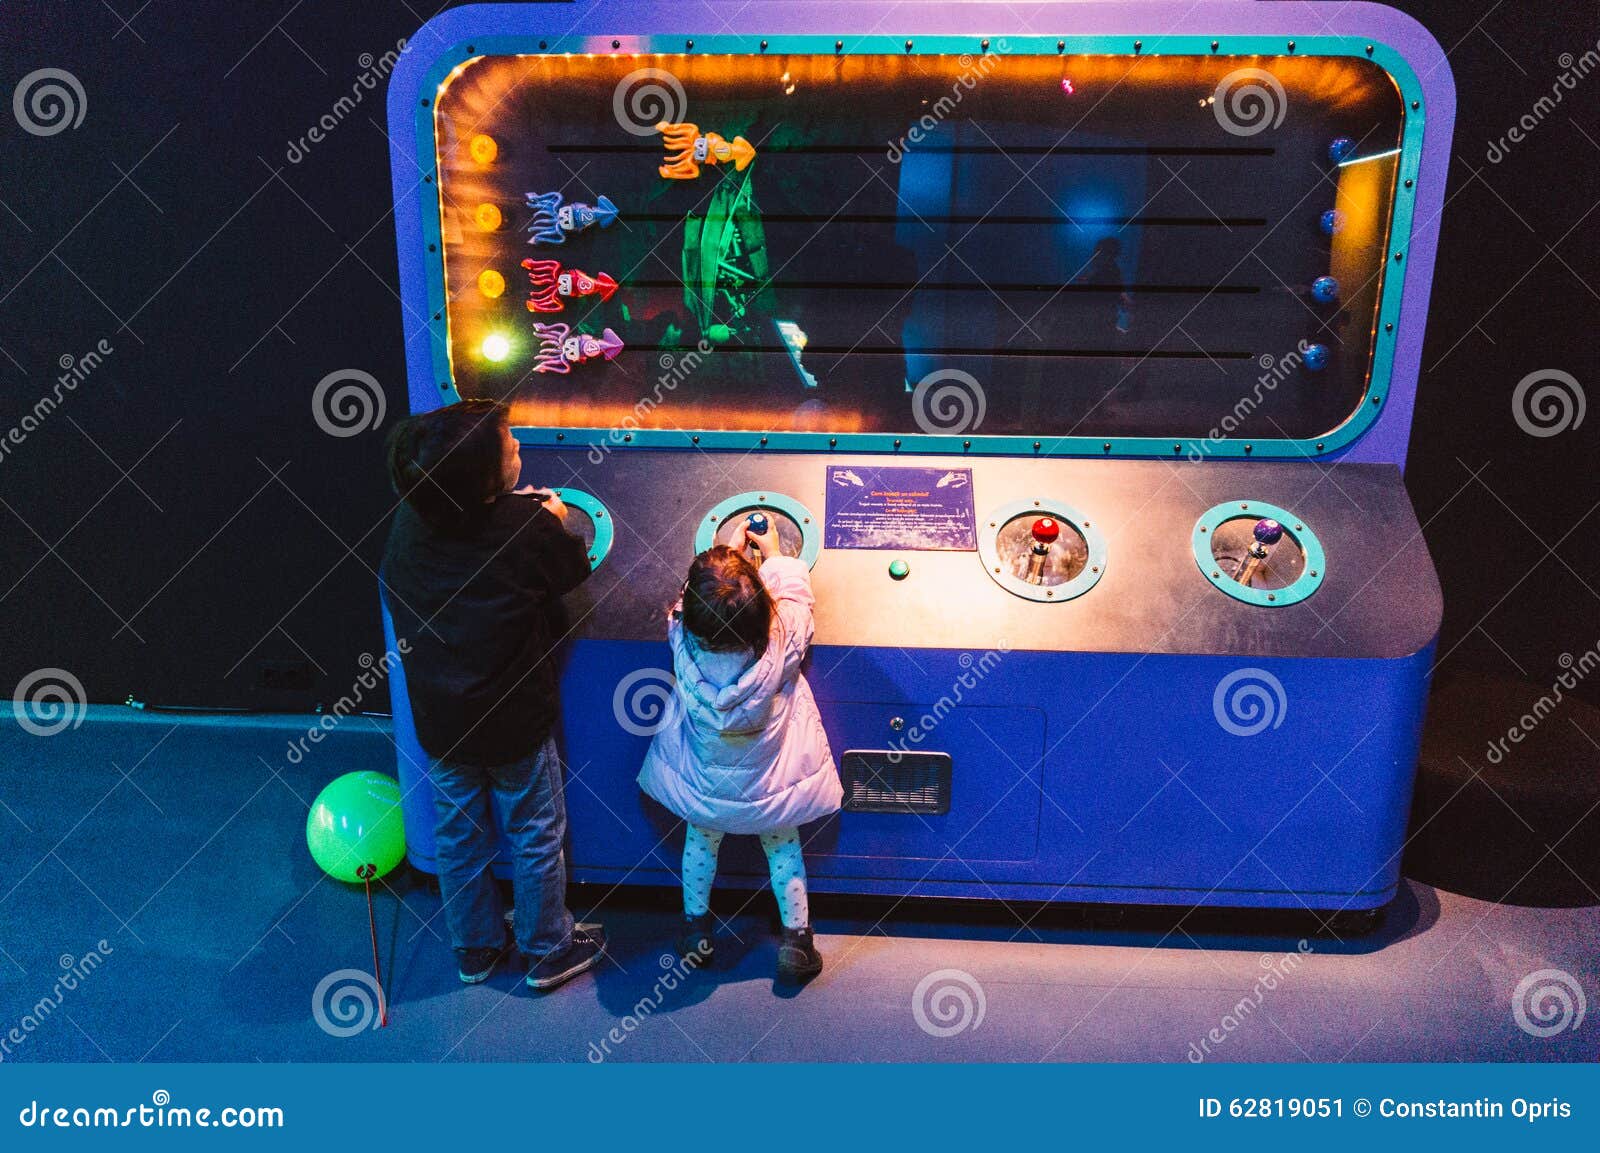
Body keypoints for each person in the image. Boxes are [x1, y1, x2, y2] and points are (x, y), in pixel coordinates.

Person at [380, 398, 604, 991]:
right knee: (534, 830)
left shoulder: (408, 521)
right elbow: (570, 570)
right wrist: (552, 518)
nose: (519, 450)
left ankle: (474, 949)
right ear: (483, 484)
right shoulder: (526, 528)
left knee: (458, 836)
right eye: (509, 449)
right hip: (515, 726)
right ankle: (546, 947)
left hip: (443, 724)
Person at [638, 523, 843, 985]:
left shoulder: (682, 638)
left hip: (707, 788)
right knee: (784, 851)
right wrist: (774, 558)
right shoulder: (780, 640)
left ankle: (696, 933)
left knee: (700, 845)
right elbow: (797, 605)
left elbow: (683, 606)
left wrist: (721, 560)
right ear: (762, 613)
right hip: (771, 789)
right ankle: (796, 942)